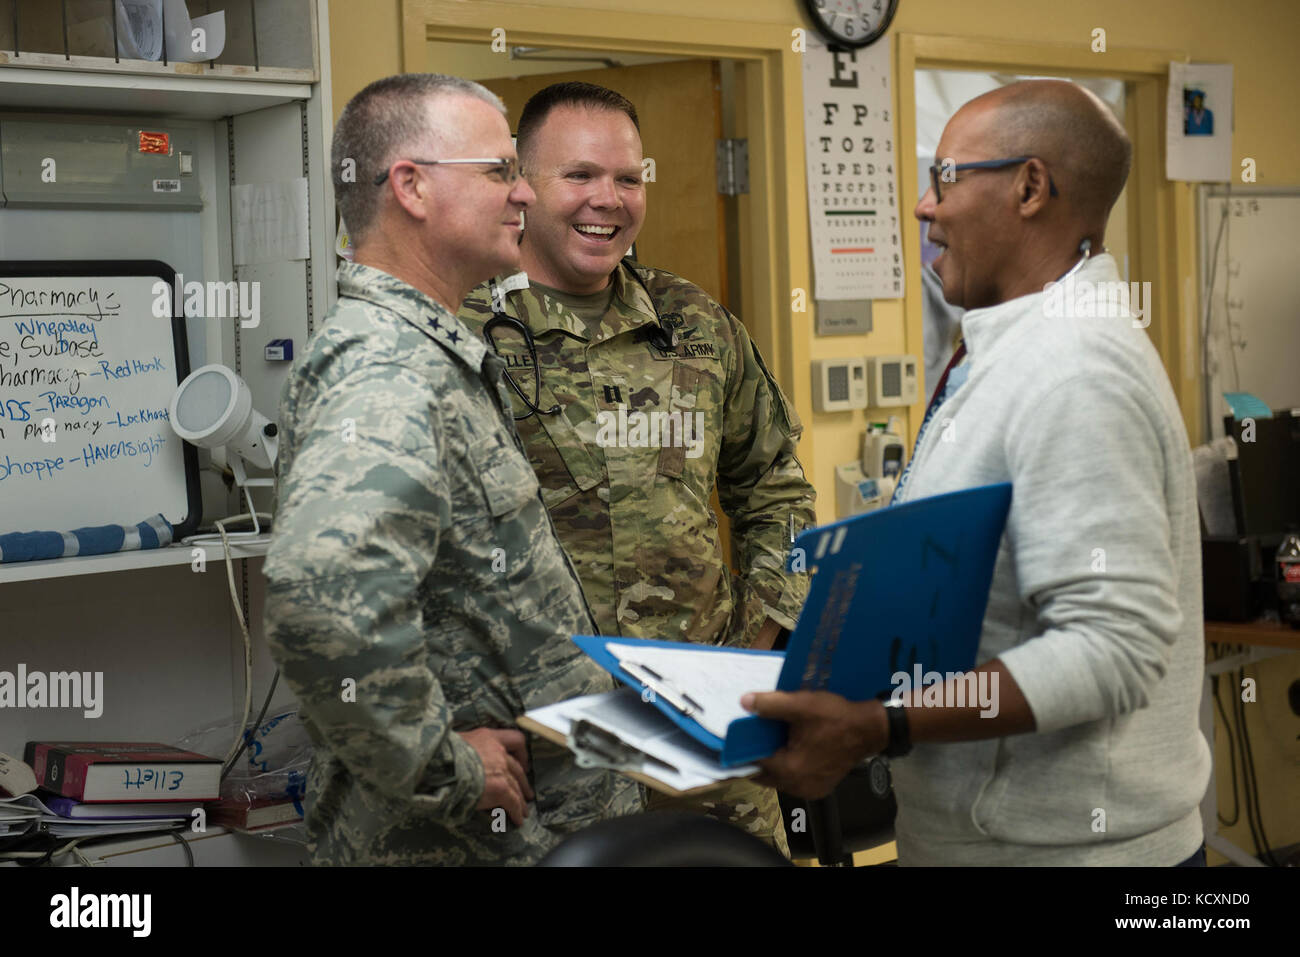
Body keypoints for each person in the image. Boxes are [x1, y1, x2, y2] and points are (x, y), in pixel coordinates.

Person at [744, 80, 1211, 866]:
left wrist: (886, 723)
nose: (925, 207)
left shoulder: (1076, 370)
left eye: (945, 178)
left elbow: (1114, 648)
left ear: (1030, 186)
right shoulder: (1007, 351)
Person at [262, 73, 639, 866]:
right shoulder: (385, 366)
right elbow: (320, 598)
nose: (524, 196)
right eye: (500, 171)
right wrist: (449, 766)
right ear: (412, 187)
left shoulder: (428, 351)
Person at [459, 82, 817, 855]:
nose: (608, 201)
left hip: (706, 744)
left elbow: (775, 487)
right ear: (523, 182)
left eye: (629, 178)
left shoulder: (696, 327)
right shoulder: (462, 332)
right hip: (540, 754)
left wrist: (763, 641)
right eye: (580, 176)